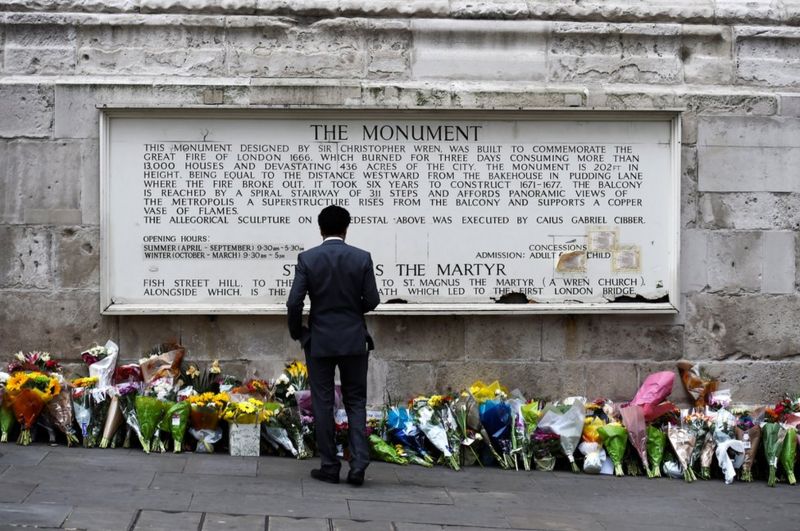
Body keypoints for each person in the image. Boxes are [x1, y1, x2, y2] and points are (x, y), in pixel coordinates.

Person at [286, 205, 380, 486]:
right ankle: (358, 465)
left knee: (323, 402)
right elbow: (372, 300)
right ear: (346, 228)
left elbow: (294, 302)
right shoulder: (361, 258)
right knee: (356, 401)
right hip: (353, 339)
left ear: (320, 228)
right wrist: (353, 312)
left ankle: (329, 465)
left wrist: (298, 333)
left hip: (320, 340)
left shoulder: (309, 258)